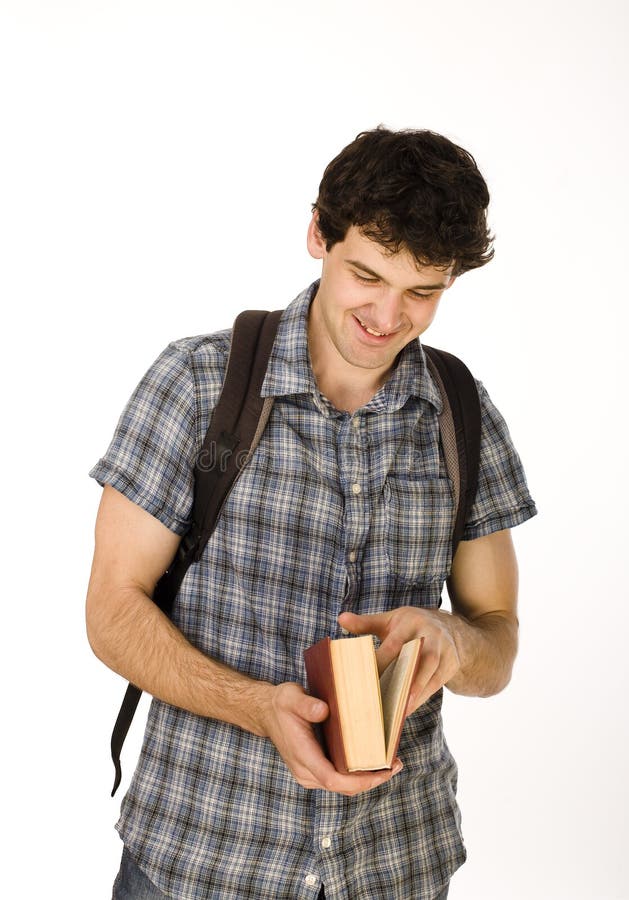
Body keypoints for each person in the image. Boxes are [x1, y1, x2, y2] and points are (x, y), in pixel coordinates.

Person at [86, 126, 536, 900]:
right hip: (198, 859)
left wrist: (452, 641)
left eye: (423, 291)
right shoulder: (197, 383)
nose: (388, 315)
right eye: (366, 275)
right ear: (317, 235)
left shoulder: (462, 413)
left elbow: (497, 642)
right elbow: (111, 614)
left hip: (392, 864)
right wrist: (258, 708)